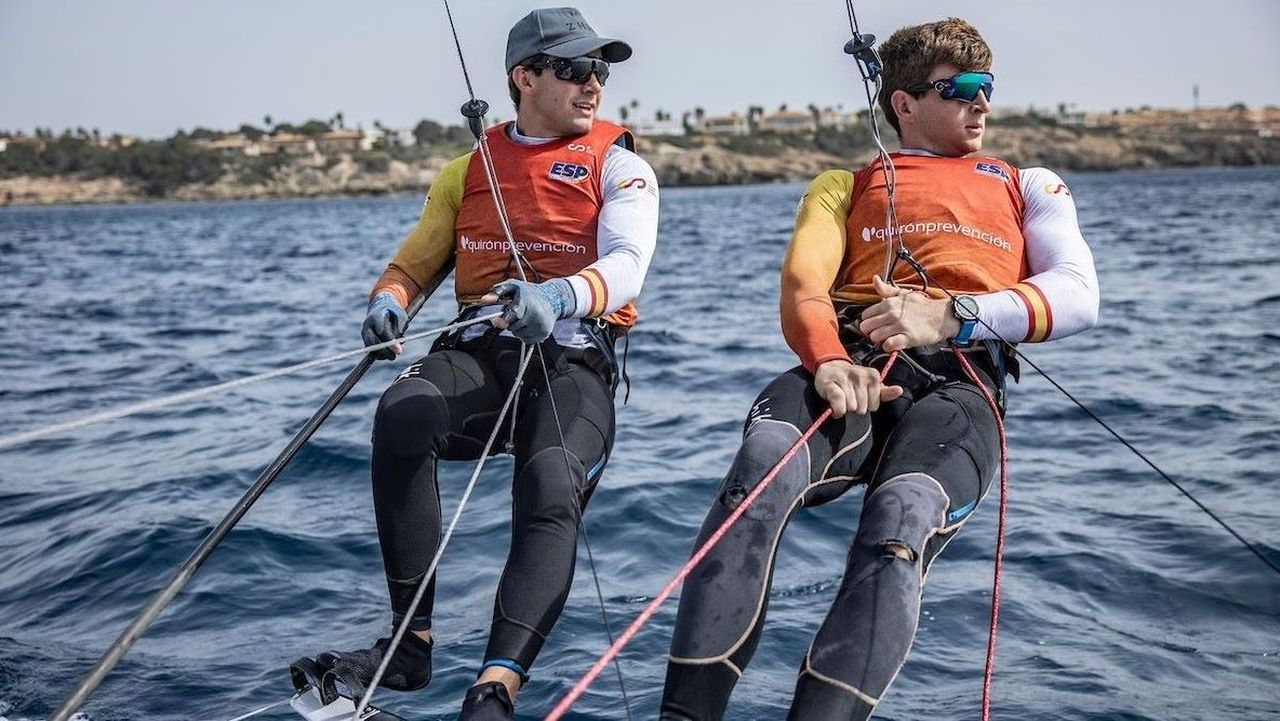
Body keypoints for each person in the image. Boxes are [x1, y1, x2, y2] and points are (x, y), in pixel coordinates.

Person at [659, 18, 1098, 721]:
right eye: (960, 89)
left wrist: (950, 315)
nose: (982, 103)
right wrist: (829, 363)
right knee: (761, 468)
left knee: (900, 522)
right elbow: (803, 285)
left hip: (958, 390)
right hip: (851, 369)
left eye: (988, 88)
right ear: (903, 104)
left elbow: (1080, 293)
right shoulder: (844, 185)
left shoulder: (1030, 186)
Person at [299, 7, 659, 720]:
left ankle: (496, 688)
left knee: (551, 479)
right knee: (401, 413)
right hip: (479, 356)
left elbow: (627, 265)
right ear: (523, 78)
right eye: (574, 68)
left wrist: (559, 295)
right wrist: (389, 301)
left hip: (571, 363)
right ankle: (409, 646)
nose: (594, 84)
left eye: (601, 69)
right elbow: (417, 260)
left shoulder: (622, 165)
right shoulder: (466, 172)